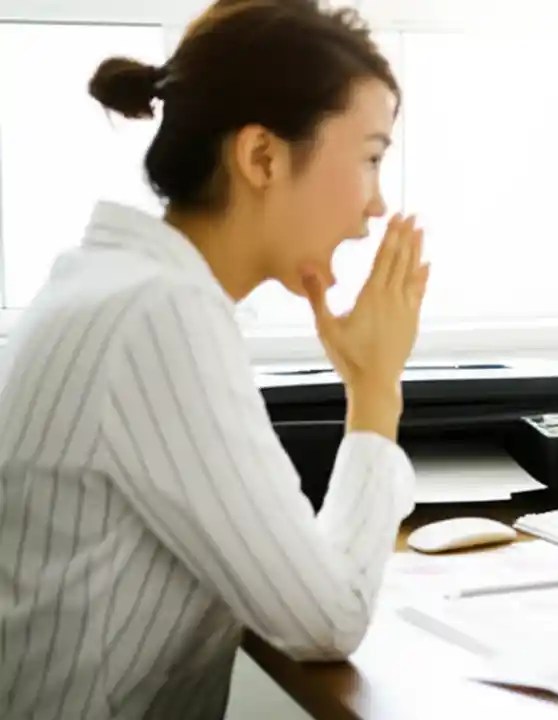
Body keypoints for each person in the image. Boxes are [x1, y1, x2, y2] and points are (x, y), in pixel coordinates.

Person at [0, 1, 429, 717]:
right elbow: (328, 618)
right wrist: (375, 389)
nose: (377, 205)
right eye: (370, 157)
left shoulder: (107, 281)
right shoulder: (161, 316)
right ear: (261, 156)